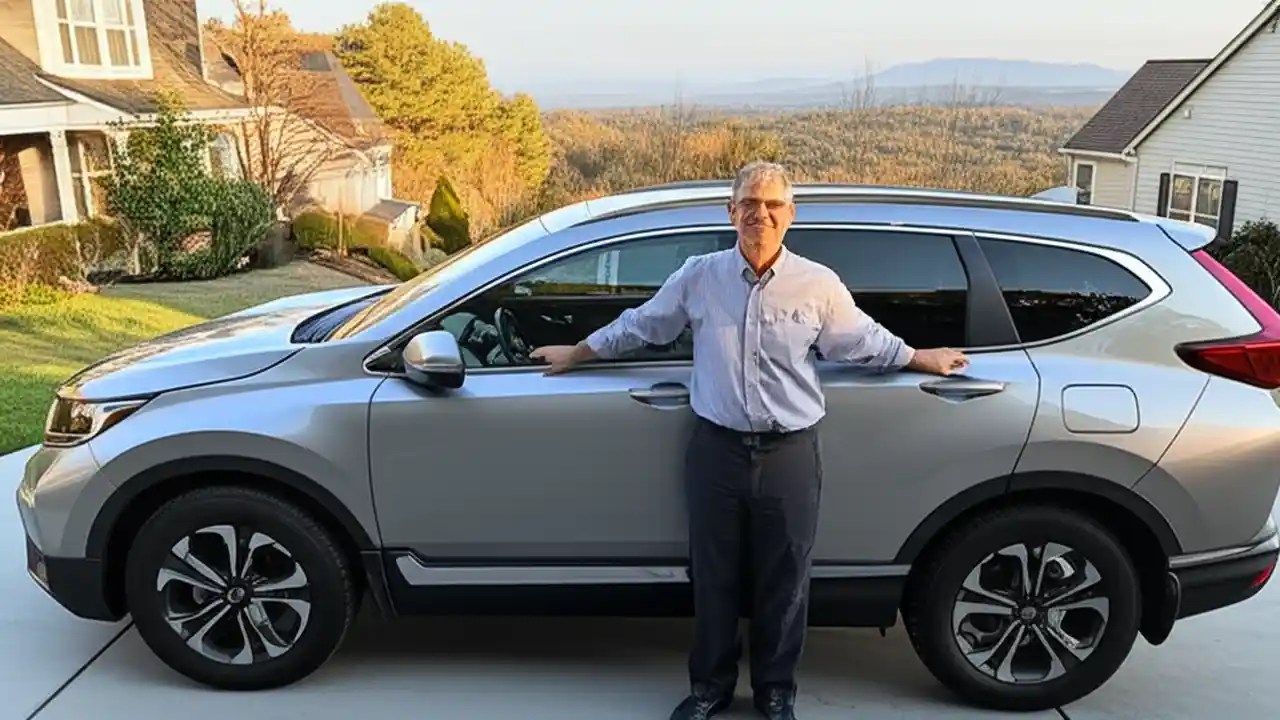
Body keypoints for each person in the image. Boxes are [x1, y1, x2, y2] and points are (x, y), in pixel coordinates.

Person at [529, 162, 969, 720]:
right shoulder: (699, 276)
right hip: (716, 450)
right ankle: (710, 687)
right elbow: (643, 325)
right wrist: (578, 352)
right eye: (749, 204)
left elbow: (860, 339)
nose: (760, 214)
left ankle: (775, 690)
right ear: (730, 211)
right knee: (713, 576)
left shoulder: (818, 284)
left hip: (790, 454)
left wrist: (916, 356)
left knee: (785, 580)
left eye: (772, 205)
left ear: (790, 215)